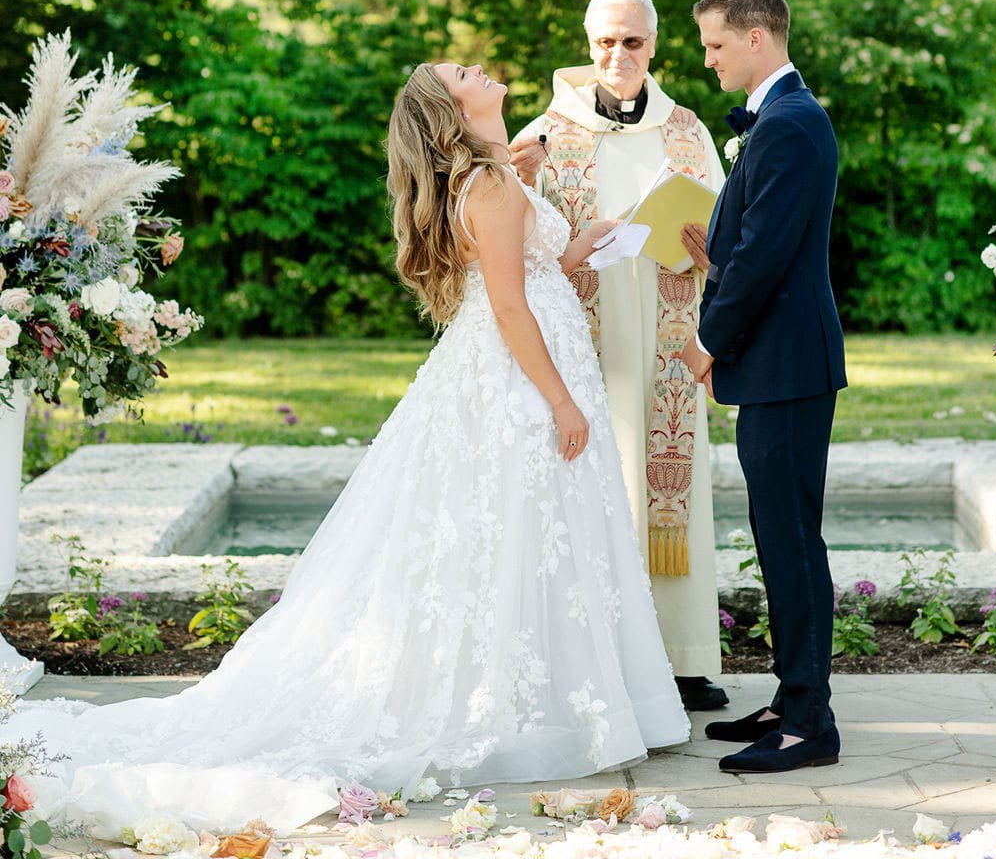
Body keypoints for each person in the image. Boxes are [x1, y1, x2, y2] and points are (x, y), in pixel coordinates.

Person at [4, 61, 688, 839]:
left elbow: (531, 275)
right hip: (514, 387)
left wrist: (579, 249)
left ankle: (540, 696)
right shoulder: (491, 187)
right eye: (462, 72)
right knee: (513, 533)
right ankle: (513, 708)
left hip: (519, 369)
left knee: (525, 539)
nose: (481, 67)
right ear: (450, 111)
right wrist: (561, 399)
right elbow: (504, 305)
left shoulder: (498, 177)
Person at [511, 0, 728, 714]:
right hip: (587, 344)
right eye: (605, 41)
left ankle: (682, 658)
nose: (617, 55)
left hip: (669, 340)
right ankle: (599, 659)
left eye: (631, 42)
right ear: (586, 41)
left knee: (673, 492)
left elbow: (729, 232)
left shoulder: (688, 133)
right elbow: (516, 244)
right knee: (592, 493)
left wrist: (709, 250)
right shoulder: (544, 136)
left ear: (654, 45)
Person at [681, 0, 846, 776]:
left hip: (784, 365)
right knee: (781, 536)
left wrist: (707, 338)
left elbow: (769, 259)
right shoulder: (782, 120)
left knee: (791, 542)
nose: (708, 60)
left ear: (756, 38)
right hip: (779, 362)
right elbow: (760, 243)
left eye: (715, 45)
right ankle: (791, 697)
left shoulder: (788, 124)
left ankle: (811, 723)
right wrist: (715, 254)